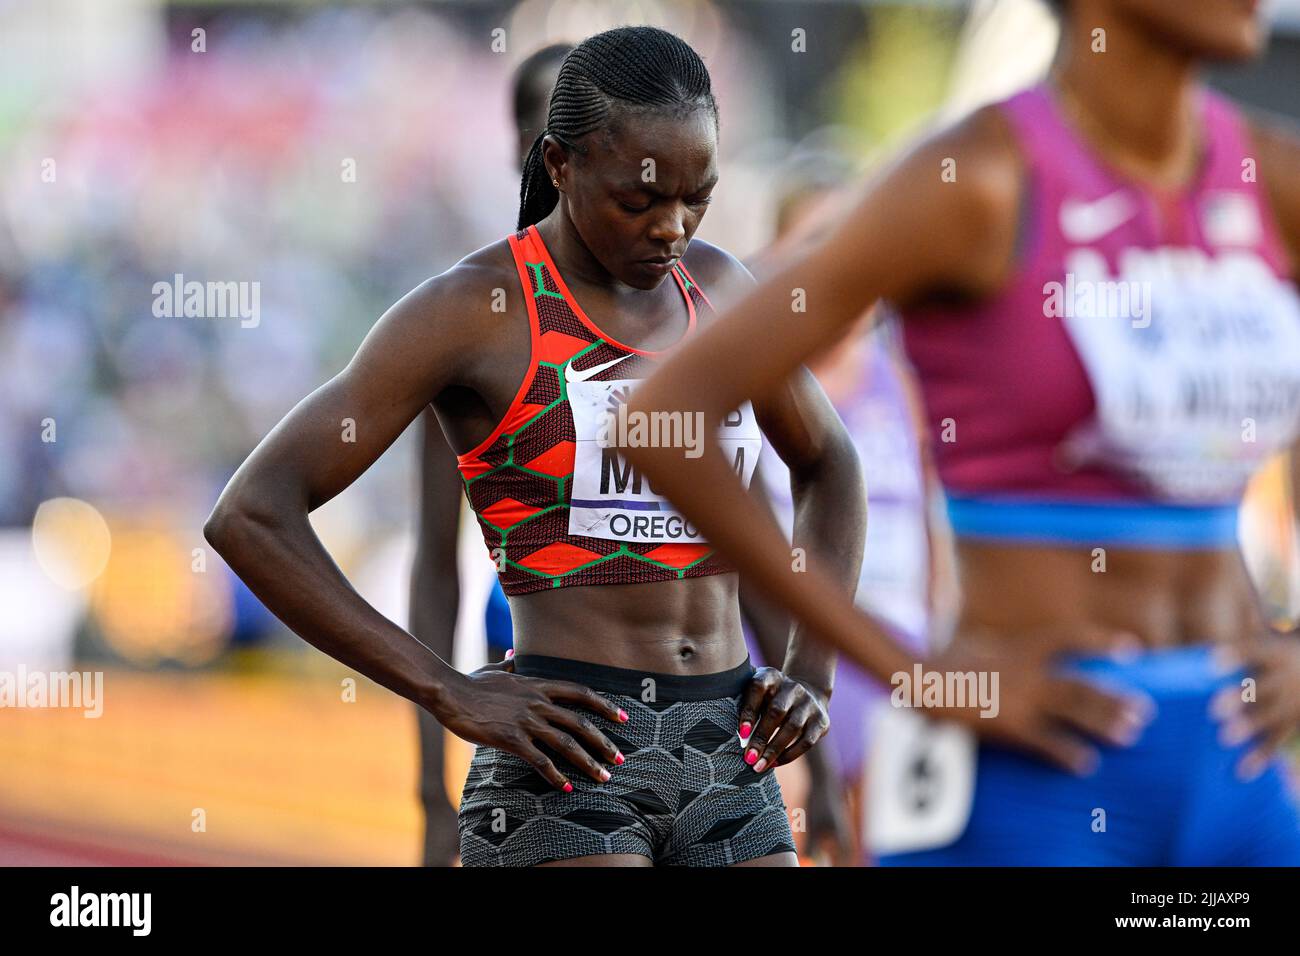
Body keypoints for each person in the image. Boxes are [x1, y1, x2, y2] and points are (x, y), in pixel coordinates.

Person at [622, 0, 1300, 864]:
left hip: (1236, 768)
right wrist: (919, 675)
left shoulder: (1272, 179)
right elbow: (664, 415)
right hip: (1038, 776)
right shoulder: (976, 177)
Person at [206, 25, 868, 867]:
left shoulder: (724, 291)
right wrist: (445, 692)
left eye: (695, 196)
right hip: (569, 754)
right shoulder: (474, 312)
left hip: (728, 751)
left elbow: (829, 464)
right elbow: (251, 514)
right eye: (639, 201)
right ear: (558, 165)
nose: (671, 227)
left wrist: (811, 672)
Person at [408, 41, 572, 868]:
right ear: (532, 152)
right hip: (531, 689)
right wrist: (432, 790)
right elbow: (436, 566)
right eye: (559, 123)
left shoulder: (687, 306)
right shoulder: (471, 321)